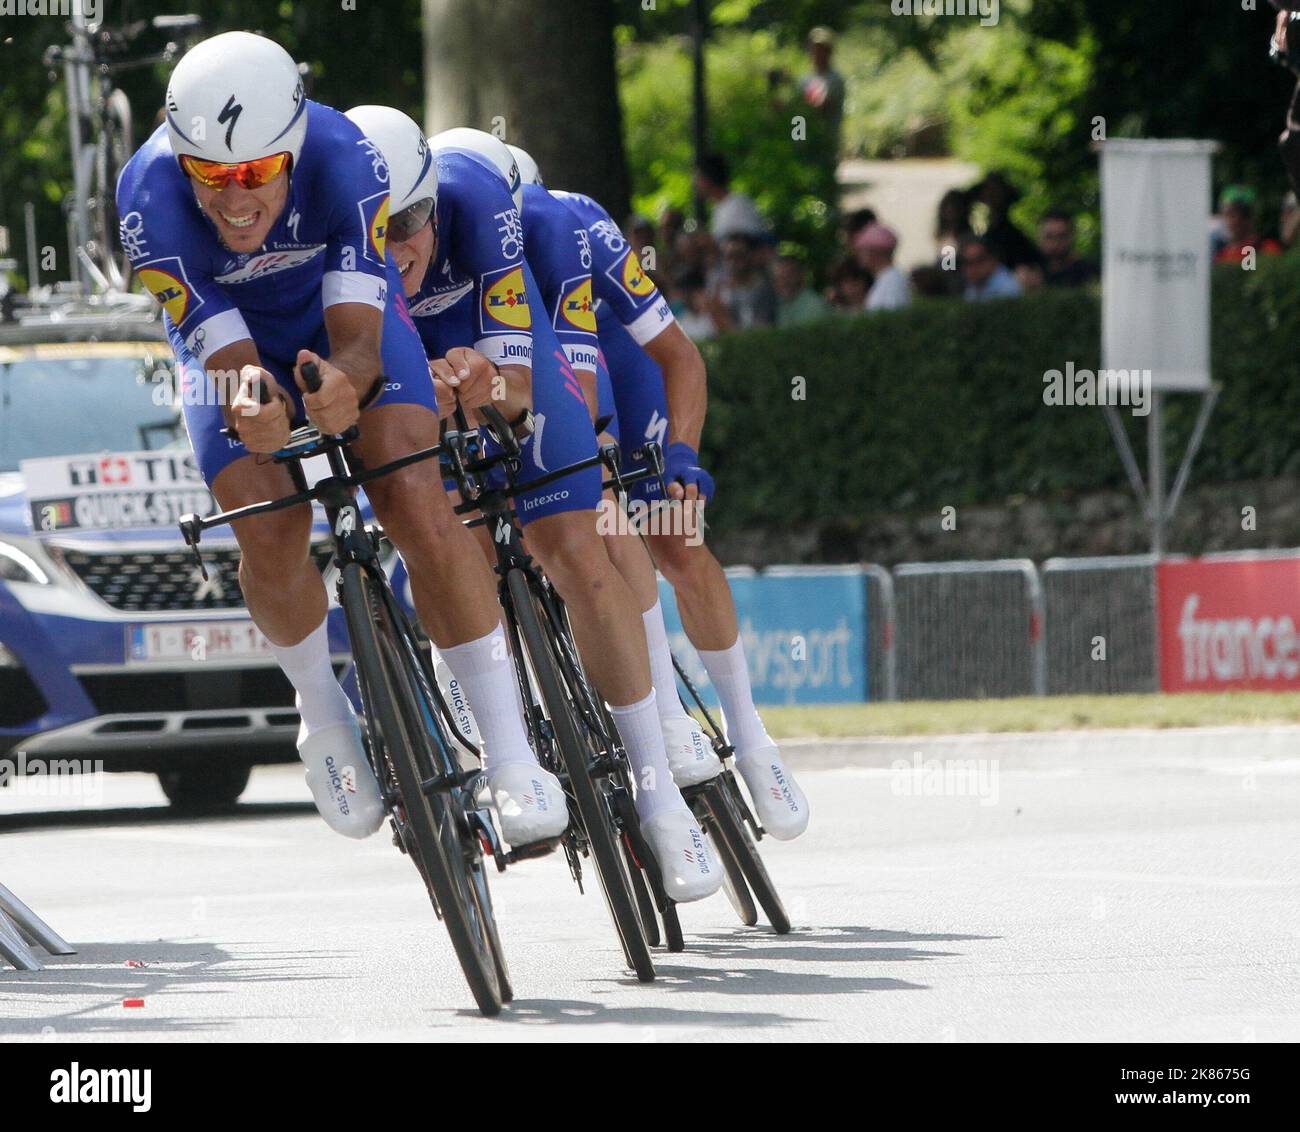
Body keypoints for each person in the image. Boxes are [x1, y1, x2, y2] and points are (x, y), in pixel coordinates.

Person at [117, 32, 566, 847]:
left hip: (345, 318)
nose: (233, 197)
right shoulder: (146, 196)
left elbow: (360, 332)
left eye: (255, 172)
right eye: (210, 175)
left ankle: (509, 756)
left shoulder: (346, 156)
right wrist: (255, 406)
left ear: (290, 147)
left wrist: (344, 390)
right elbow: (229, 360)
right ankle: (320, 711)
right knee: (267, 520)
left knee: (414, 497)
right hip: (235, 336)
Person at [347, 113, 721, 900]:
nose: (401, 245)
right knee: (438, 524)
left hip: (503, 349)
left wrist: (488, 389)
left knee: (576, 548)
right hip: (410, 362)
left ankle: (660, 801)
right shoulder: (343, 252)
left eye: (412, 220)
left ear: (433, 201)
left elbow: (518, 384)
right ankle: (487, 710)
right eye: (380, 231)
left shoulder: (480, 201)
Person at [503, 155, 809, 842]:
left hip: (610, 360)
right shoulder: (443, 250)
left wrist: (682, 456)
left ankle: (746, 731)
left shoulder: (579, 223)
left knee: (669, 532)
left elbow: (681, 357)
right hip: (520, 371)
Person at [973, 172, 1041, 271]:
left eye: (995, 192)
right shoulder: (988, 232)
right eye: (988, 192)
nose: (991, 197)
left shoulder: (1013, 237)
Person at [694, 151, 769, 243]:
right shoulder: (719, 208)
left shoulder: (738, 204)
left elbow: (748, 243)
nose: (695, 184)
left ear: (707, 179)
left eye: (698, 178)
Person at [711, 234, 777, 330]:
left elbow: (762, 328)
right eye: (729, 257)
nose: (733, 262)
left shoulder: (765, 288)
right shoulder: (719, 290)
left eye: (739, 256)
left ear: (750, 256)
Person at [799, 27, 846, 157]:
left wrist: (798, 104)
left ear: (829, 52)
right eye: (814, 49)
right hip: (805, 142)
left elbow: (822, 107)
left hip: (826, 144)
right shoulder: (805, 79)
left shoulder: (835, 80)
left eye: (822, 50)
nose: (817, 54)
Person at [1213, 186, 1283, 264]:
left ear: (1249, 218)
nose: (1227, 221)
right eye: (1224, 215)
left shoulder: (1268, 249)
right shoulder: (1220, 256)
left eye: (1232, 215)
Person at [855, 223, 911, 311]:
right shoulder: (885, 279)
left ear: (875, 252)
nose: (859, 255)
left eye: (863, 250)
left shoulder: (893, 281)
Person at [1037, 210, 1098, 288]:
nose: (1055, 243)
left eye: (1061, 237)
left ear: (1072, 237)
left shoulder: (1089, 273)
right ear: (1039, 237)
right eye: (1049, 237)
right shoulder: (1031, 273)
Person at [960, 234, 1023, 301]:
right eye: (968, 263)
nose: (974, 268)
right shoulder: (972, 288)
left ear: (993, 259)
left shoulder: (1008, 289)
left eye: (979, 260)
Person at [772, 254, 829, 326]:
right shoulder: (778, 303)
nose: (784, 282)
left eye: (788, 276)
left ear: (800, 276)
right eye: (779, 278)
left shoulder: (814, 306)